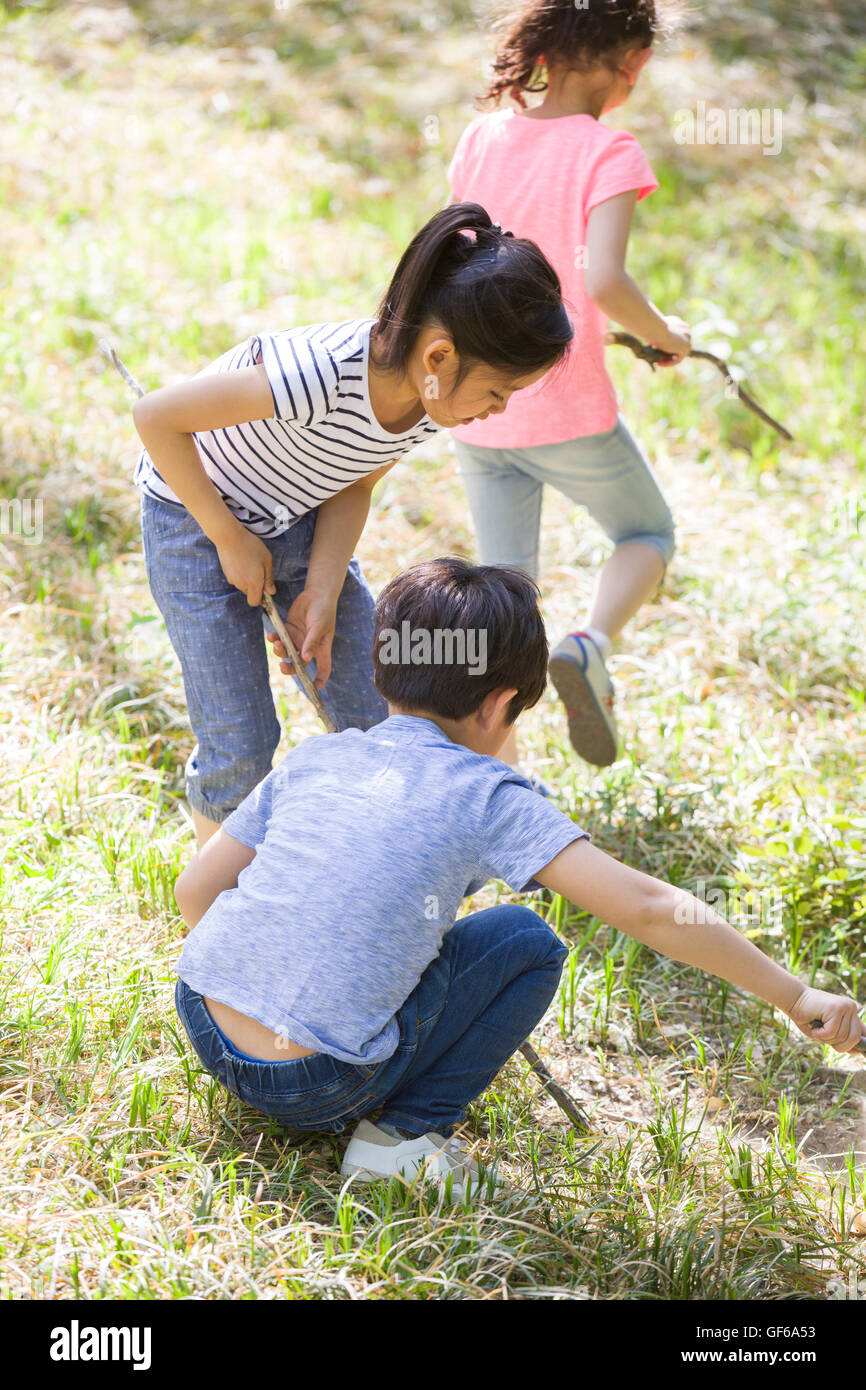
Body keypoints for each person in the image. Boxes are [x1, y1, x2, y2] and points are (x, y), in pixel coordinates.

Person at [172, 558, 865, 1200]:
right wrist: (792, 993)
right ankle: (399, 1141)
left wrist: (274, 971)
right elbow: (652, 909)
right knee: (523, 942)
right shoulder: (488, 793)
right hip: (315, 1082)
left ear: (387, 669)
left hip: (204, 1022)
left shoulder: (317, 757)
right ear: (499, 706)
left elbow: (194, 894)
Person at [131, 203, 573, 845]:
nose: (497, 411)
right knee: (242, 740)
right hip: (193, 521)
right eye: (497, 393)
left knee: (381, 707)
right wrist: (229, 537)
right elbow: (156, 417)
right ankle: (215, 917)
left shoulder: (428, 403)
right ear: (441, 356)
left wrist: (324, 588)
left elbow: (354, 482)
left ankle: (383, 854)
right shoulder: (320, 376)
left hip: (296, 516)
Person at [447, 0, 689, 770]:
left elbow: (461, 257)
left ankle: (494, 778)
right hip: (568, 412)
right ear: (633, 64)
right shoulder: (608, 152)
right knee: (647, 534)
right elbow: (605, 277)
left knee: (507, 599)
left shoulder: (482, 136)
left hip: (478, 406)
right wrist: (665, 335)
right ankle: (589, 645)